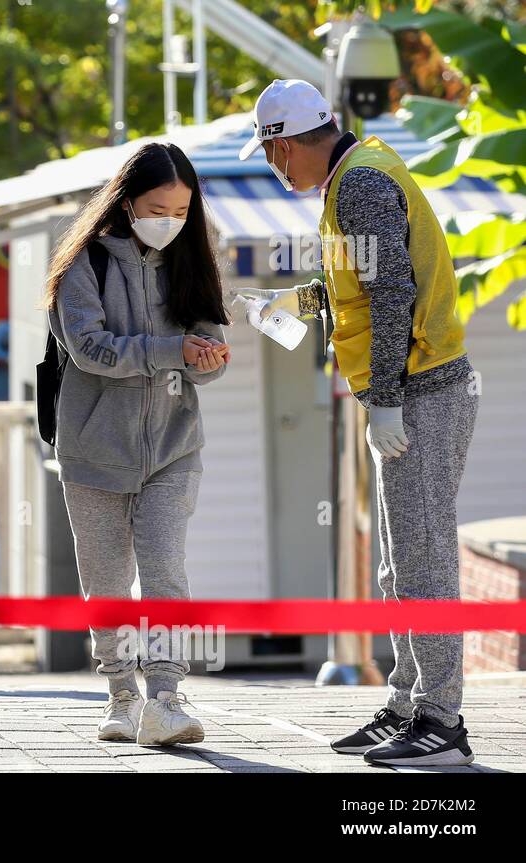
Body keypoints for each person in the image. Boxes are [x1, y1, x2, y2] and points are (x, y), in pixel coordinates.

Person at [236, 79, 477, 766]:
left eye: (270, 154)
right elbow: (364, 280)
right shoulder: (357, 174)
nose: (274, 167)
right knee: (400, 564)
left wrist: (385, 399)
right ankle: (409, 704)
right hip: (415, 389)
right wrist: (299, 300)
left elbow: (394, 291)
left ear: (283, 144)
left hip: (422, 393)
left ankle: (442, 720)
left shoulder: (361, 185)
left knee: (423, 560)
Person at [44, 141, 231, 746]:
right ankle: (121, 694)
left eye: (181, 212)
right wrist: (171, 352)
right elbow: (89, 350)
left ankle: (167, 699)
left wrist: (206, 357)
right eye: (157, 209)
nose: (170, 223)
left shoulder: (194, 259)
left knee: (166, 573)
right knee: (105, 581)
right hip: (94, 449)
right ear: (126, 204)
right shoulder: (84, 264)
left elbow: (206, 350)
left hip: (174, 447)